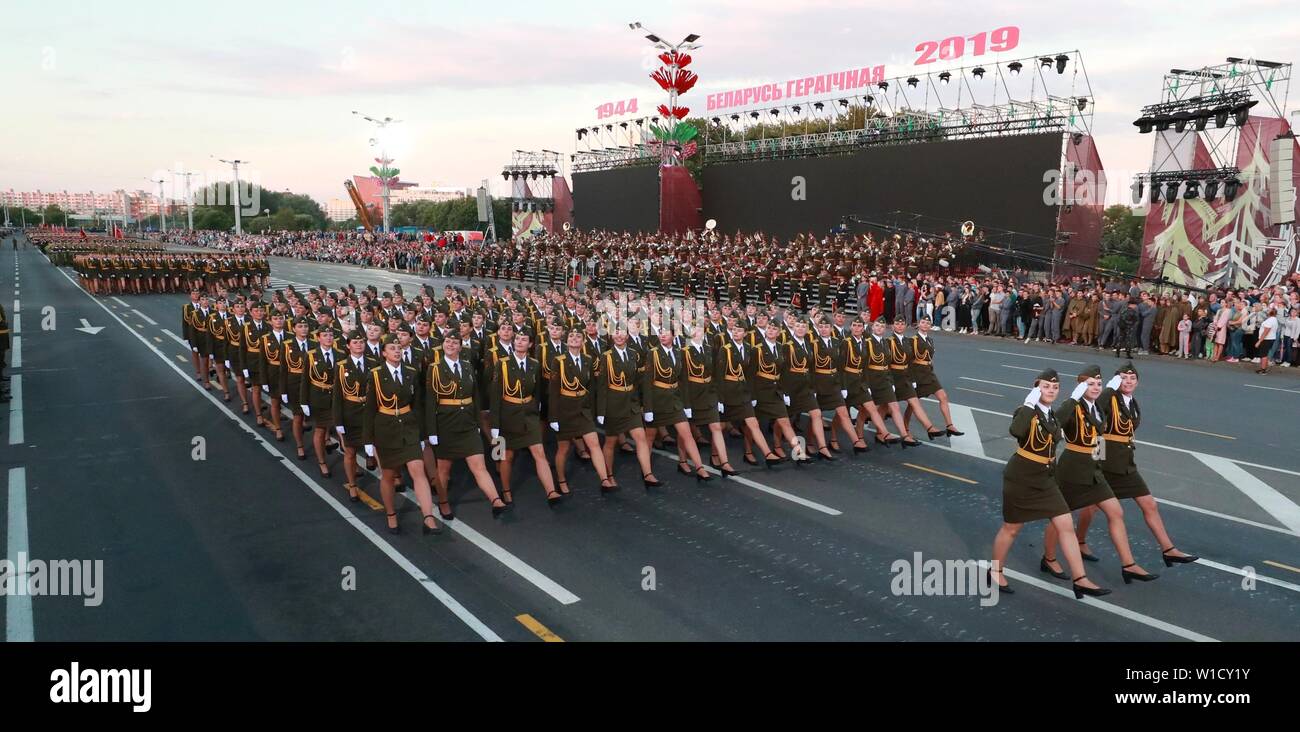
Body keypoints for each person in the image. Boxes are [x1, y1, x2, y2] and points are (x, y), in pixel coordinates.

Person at [988, 369, 1111, 599]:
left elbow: (1096, 434)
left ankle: (1080, 579)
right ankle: (995, 571)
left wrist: (1099, 462)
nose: (1051, 390)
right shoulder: (1025, 411)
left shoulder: (1054, 415)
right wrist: (1029, 402)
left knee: (1066, 523)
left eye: (1055, 387)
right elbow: (1016, 430)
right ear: (1036, 388)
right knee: (1012, 528)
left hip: (1047, 478)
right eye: (1046, 386)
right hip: (1022, 478)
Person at [1041, 366, 1157, 585]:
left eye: (1098, 384)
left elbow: (1099, 438)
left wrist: (1100, 462)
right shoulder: (1074, 407)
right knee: (1061, 517)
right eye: (1089, 384)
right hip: (1072, 470)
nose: (1095, 388)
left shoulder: (1098, 408)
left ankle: (1128, 564)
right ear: (1080, 387)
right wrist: (1072, 399)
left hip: (1094, 469)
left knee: (1116, 511)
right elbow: (1054, 424)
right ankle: (1049, 558)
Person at [1076, 363, 1198, 568]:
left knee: (1149, 504)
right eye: (1124, 378)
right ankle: (1078, 541)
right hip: (1106, 463)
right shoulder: (1109, 398)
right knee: (1092, 506)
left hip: (1126, 464)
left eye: (1132, 378)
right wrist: (1096, 462)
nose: (1128, 381)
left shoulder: (1133, 403)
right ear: (1116, 381)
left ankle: (1168, 549)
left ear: (1137, 382)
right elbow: (1097, 422)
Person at [363, 341, 442, 535]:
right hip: (386, 429)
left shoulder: (411, 372)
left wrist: (421, 434)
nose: (397, 351)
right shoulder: (375, 375)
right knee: (389, 475)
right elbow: (370, 409)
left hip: (408, 426)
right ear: (383, 353)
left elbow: (417, 405)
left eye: (399, 348)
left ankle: (428, 517)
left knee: (418, 470)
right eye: (392, 348)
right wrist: (368, 440)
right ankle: (391, 514)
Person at [489, 330, 561, 506]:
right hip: (507, 415)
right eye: (518, 339)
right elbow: (495, 395)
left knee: (539, 452)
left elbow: (537, 391)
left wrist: (535, 410)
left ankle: (551, 491)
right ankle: (505, 490)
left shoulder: (534, 364)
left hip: (529, 415)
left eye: (524, 340)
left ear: (530, 344)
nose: (520, 342)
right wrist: (495, 424)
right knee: (506, 455)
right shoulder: (502, 364)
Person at [549, 327, 618, 493]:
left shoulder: (587, 359)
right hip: (565, 410)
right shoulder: (559, 361)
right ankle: (561, 480)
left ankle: (604, 479)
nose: (574, 338)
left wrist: (594, 411)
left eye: (578, 336)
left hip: (583, 409)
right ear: (566, 341)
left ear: (583, 341)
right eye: (571, 336)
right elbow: (553, 391)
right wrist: (553, 418)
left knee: (594, 444)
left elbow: (591, 388)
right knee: (564, 449)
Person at [594, 322, 661, 488]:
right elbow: (602, 386)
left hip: (631, 403)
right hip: (614, 404)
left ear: (627, 335)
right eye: (616, 332)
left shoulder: (633, 354)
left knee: (641, 438)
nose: (619, 336)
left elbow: (639, 381)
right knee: (611, 442)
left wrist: (645, 405)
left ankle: (648, 473)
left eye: (622, 332)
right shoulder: (606, 357)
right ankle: (608, 476)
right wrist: (601, 411)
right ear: (611, 336)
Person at [644, 328, 714, 480]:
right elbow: (647, 382)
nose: (662, 335)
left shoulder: (678, 352)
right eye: (660, 332)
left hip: (675, 400)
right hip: (657, 400)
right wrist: (648, 409)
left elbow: (683, 381)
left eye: (666, 333)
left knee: (686, 434)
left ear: (673, 336)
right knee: (650, 437)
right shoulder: (653, 353)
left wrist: (687, 405)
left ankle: (699, 468)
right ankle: (646, 472)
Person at [682, 324, 738, 475]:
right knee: (686, 431)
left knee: (716, 427)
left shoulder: (709, 349)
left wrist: (719, 398)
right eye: (693, 330)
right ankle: (682, 461)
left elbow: (716, 374)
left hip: (709, 393)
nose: (696, 332)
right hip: (693, 395)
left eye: (699, 330)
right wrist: (686, 404)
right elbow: (683, 380)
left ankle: (724, 462)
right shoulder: (684, 351)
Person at [902, 316, 964, 438]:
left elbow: (930, 358)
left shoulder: (930, 340)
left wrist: (931, 369)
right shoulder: (913, 340)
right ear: (918, 324)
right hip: (918, 374)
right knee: (913, 405)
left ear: (930, 326)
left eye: (928, 323)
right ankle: (906, 429)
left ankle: (949, 426)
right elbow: (908, 361)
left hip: (929, 374)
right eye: (923, 322)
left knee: (943, 396)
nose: (925, 325)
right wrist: (912, 379)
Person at [331, 330, 371, 502]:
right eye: (355, 342)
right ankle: (352, 484)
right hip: (350, 413)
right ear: (348, 346)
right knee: (350, 451)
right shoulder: (342, 366)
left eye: (361, 342)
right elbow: (338, 396)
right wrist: (338, 421)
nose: (359, 345)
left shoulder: (372, 363)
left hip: (368, 413)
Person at [300, 328, 344, 479]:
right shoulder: (311, 355)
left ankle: (352, 461)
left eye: (331, 335)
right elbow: (305, 380)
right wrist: (304, 402)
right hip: (318, 398)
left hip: (336, 398)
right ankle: (322, 462)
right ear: (318, 338)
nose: (328, 338)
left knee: (342, 430)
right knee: (320, 429)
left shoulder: (340, 354)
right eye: (325, 335)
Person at [1255, 309, 1278, 374]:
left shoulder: (1270, 320)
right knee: (1265, 354)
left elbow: (1266, 331)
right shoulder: (1274, 319)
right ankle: (1264, 368)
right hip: (1270, 338)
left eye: (1268, 310)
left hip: (1266, 339)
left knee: (1263, 354)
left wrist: (1259, 341)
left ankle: (1263, 369)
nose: (1267, 311)